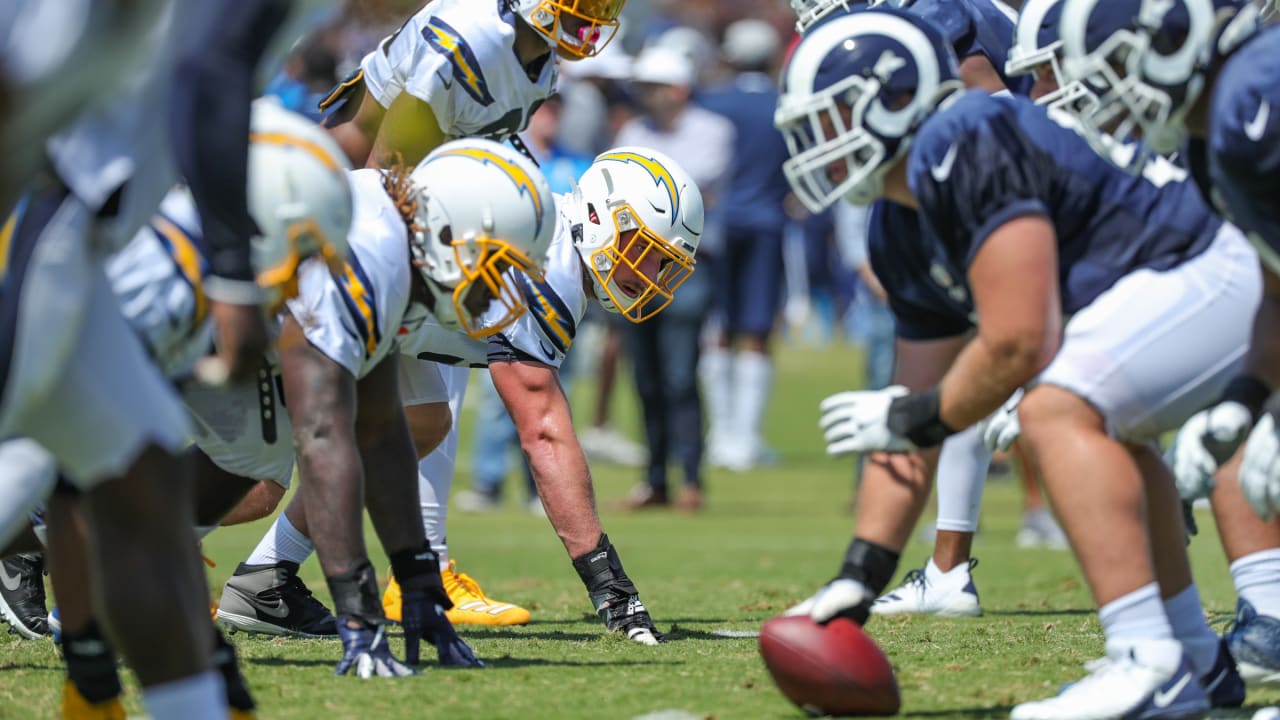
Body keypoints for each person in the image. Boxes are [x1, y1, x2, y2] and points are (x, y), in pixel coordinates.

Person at [775, 8, 1259, 717]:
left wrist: (922, 413)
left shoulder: (964, 140)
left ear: (893, 98)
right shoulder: (899, 226)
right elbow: (906, 416)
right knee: (1097, 416)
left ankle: (1146, 659)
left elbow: (1017, 341)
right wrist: (861, 571)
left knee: (1055, 405)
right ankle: (1193, 655)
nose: (818, 144)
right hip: (1168, 283)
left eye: (830, 117)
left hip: (1212, 266)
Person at [206, 139, 551, 677]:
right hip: (160, 306)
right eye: (494, 269)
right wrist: (359, 614)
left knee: (247, 467)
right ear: (445, 234)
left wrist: (417, 582)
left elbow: (381, 430)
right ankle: (61, 535)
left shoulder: (393, 249)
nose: (497, 294)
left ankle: (89, 541)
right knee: (253, 469)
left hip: (207, 311)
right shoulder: (367, 257)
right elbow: (324, 439)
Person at [376, 146, 704, 644]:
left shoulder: (547, 233)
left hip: (381, 309)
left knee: (417, 425)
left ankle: (271, 578)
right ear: (599, 217)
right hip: (330, 277)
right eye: (645, 250)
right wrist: (611, 587)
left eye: (664, 262)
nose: (650, 276)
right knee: (269, 470)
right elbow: (543, 433)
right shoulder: (549, 259)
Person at [1057, 0, 1280, 688]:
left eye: (1128, 63)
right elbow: (1276, 289)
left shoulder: (1256, 93)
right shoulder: (1213, 140)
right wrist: (1248, 400)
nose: (1121, 90)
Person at [613, 46, 732, 512]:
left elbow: (684, 191)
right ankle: (656, 477)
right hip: (632, 268)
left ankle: (692, 477)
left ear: (678, 88)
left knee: (681, 376)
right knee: (645, 378)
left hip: (685, 269)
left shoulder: (712, 132)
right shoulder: (632, 130)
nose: (646, 95)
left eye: (654, 86)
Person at [696, 19, 791, 473]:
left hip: (716, 227)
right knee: (756, 332)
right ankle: (745, 437)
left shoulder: (711, 101)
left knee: (716, 329)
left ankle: (721, 436)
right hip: (767, 223)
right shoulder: (784, 104)